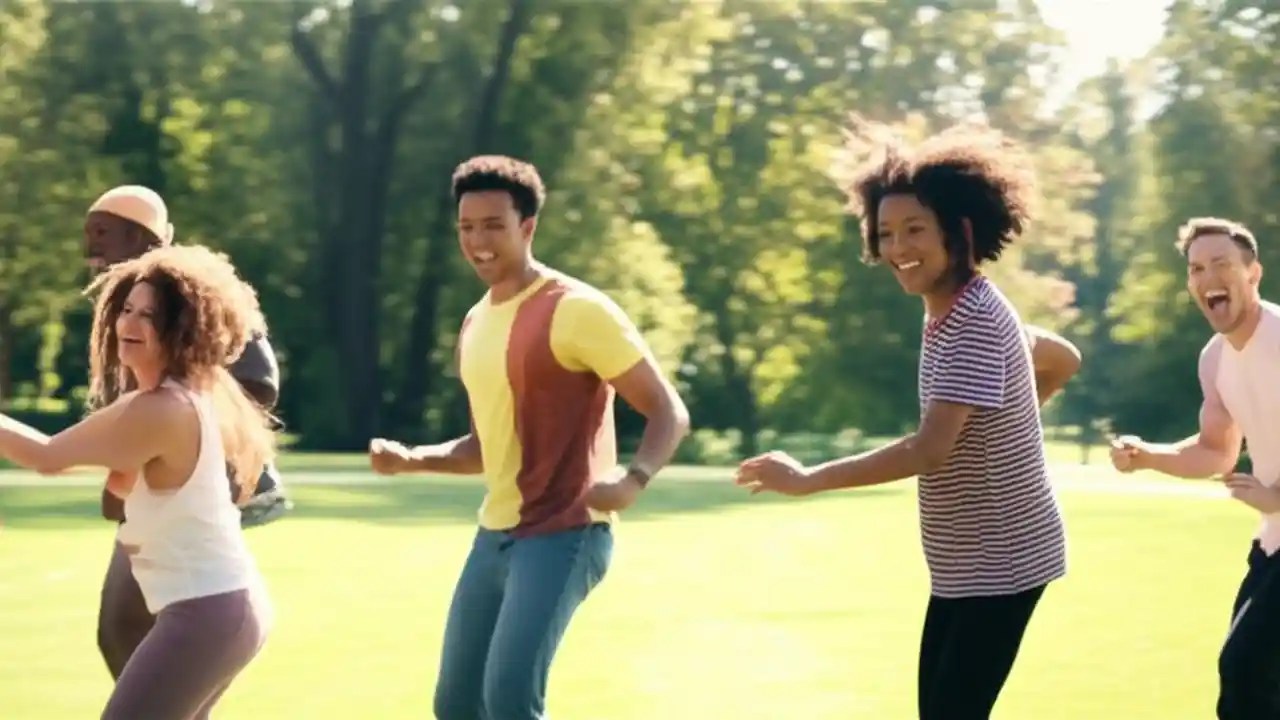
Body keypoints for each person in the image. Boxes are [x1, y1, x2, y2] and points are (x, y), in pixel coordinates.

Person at [734, 119, 1081, 720]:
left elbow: (928, 452)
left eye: (916, 230)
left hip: (1003, 559)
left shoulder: (971, 322)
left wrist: (809, 477)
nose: (898, 248)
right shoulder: (956, 307)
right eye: (886, 232)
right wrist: (1014, 413)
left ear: (960, 231)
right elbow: (1060, 357)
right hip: (965, 563)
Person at [368, 154, 691, 720]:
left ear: (528, 226)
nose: (478, 241)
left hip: (564, 535)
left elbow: (668, 410)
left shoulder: (577, 310)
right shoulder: (475, 321)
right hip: (493, 537)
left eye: (493, 225)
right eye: (466, 228)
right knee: (457, 706)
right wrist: (410, 460)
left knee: (511, 701)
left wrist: (633, 478)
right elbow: (485, 448)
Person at [0, 244, 275, 719]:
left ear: (182, 331)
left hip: (205, 614)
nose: (128, 325)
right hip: (221, 608)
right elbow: (127, 481)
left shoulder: (161, 409)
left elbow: (46, 456)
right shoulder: (179, 395)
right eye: (126, 309)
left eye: (149, 317)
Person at [83, 185, 289, 681]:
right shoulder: (131, 300)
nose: (89, 248)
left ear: (141, 236)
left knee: (128, 623)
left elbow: (261, 381)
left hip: (196, 486)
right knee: (125, 628)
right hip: (154, 486)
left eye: (102, 233)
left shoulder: (189, 290)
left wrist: (184, 433)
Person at [1109, 218, 1280, 719]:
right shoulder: (1215, 360)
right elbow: (1215, 452)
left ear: (1253, 274)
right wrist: (1148, 456)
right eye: (1197, 268)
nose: (1208, 277)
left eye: (1222, 264)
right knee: (1251, 678)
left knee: (1246, 670)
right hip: (1273, 541)